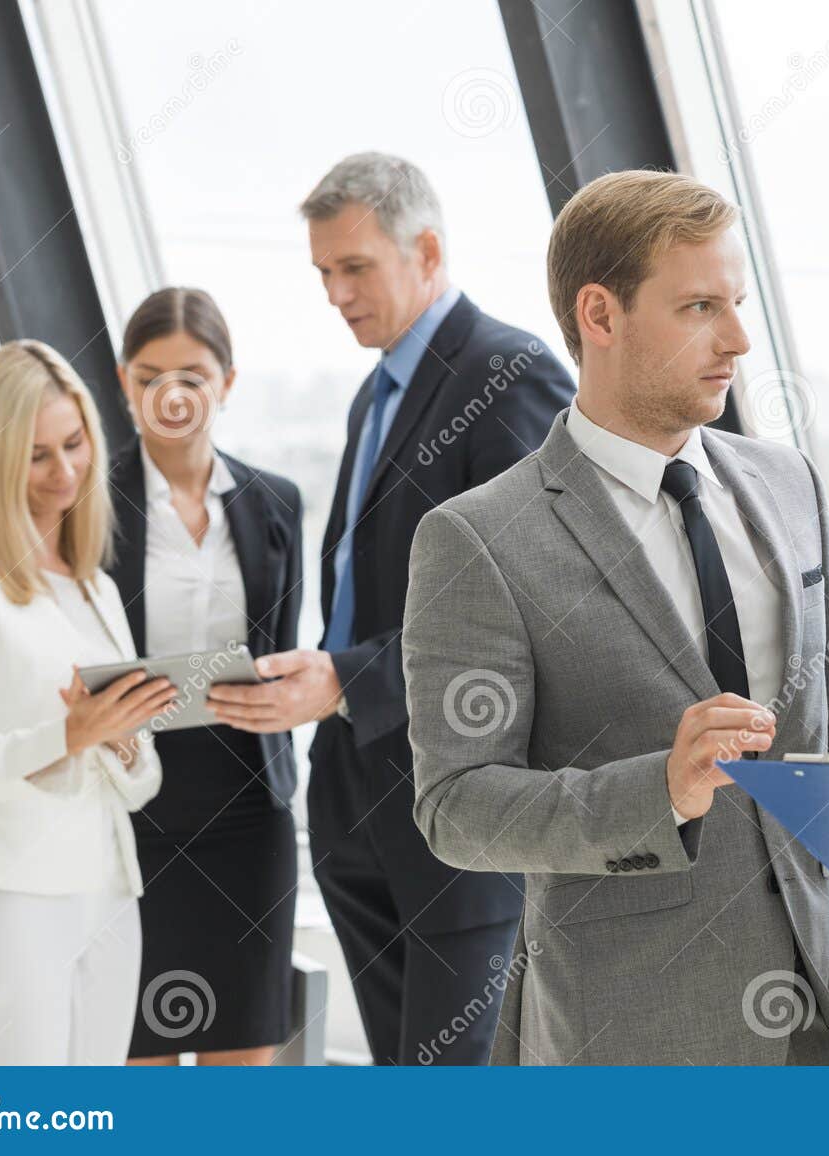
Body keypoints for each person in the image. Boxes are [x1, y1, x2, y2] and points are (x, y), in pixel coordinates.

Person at [402, 169, 829, 1065]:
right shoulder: (477, 538)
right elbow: (456, 808)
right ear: (600, 314)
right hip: (629, 1032)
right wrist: (661, 791)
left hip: (828, 1010)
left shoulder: (789, 485)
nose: (740, 338)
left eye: (738, 302)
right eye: (701, 307)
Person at [206, 152, 574, 1065]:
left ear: (428, 250)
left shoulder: (510, 372)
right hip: (356, 800)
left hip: (457, 813)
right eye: (324, 274)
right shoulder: (374, 394)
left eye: (355, 268)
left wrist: (347, 677)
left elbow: (533, 598)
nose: (335, 294)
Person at [0, 340, 174, 1064]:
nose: (66, 472)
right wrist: (69, 733)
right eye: (37, 454)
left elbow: (141, 782)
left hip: (110, 892)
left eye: (75, 444)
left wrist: (117, 739)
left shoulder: (95, 588)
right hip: (11, 899)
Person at [106, 287, 304, 1066]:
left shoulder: (274, 504)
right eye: (151, 375)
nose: (172, 394)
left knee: (245, 1063)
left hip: (248, 816)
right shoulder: (90, 506)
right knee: (141, 1062)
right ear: (126, 383)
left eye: (192, 372)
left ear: (226, 380)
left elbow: (282, 652)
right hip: (133, 814)